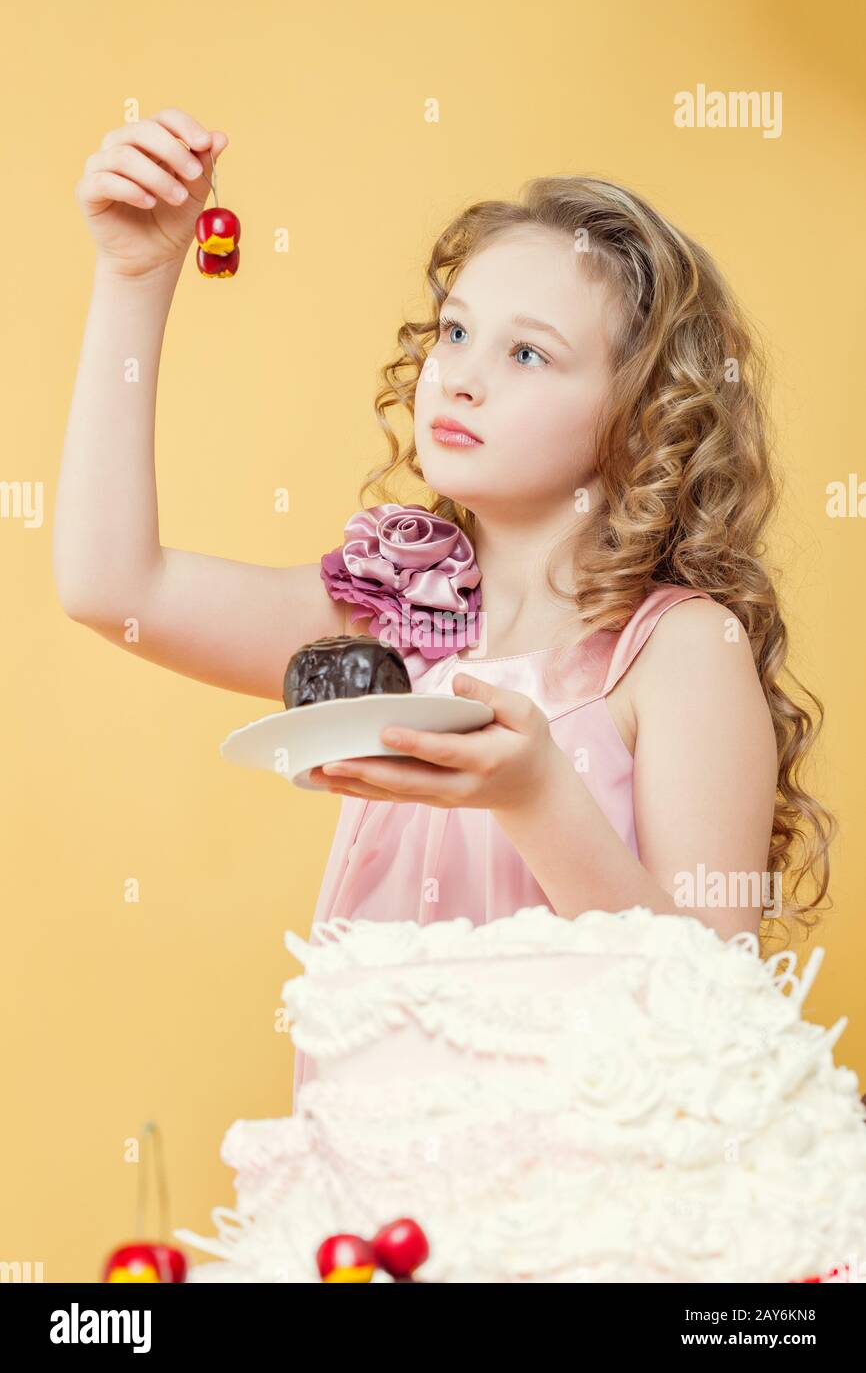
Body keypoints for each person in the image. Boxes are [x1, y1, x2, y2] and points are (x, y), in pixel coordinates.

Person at [54, 108, 834, 1105]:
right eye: (456, 330)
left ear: (641, 418)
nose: (460, 373)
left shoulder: (676, 650)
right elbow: (112, 588)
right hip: (384, 1192)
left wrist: (534, 793)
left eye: (526, 354)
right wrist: (133, 276)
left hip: (582, 1213)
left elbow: (713, 1018)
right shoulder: (396, 615)